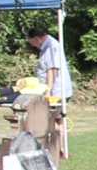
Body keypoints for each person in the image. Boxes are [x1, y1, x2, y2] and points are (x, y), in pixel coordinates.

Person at [27, 28, 70, 158]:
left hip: (56, 91)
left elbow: (52, 70)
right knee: (54, 120)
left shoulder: (51, 46)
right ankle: (56, 148)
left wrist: (48, 90)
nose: (32, 45)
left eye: (31, 42)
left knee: (55, 120)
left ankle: (59, 149)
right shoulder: (46, 47)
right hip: (53, 90)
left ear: (37, 38)